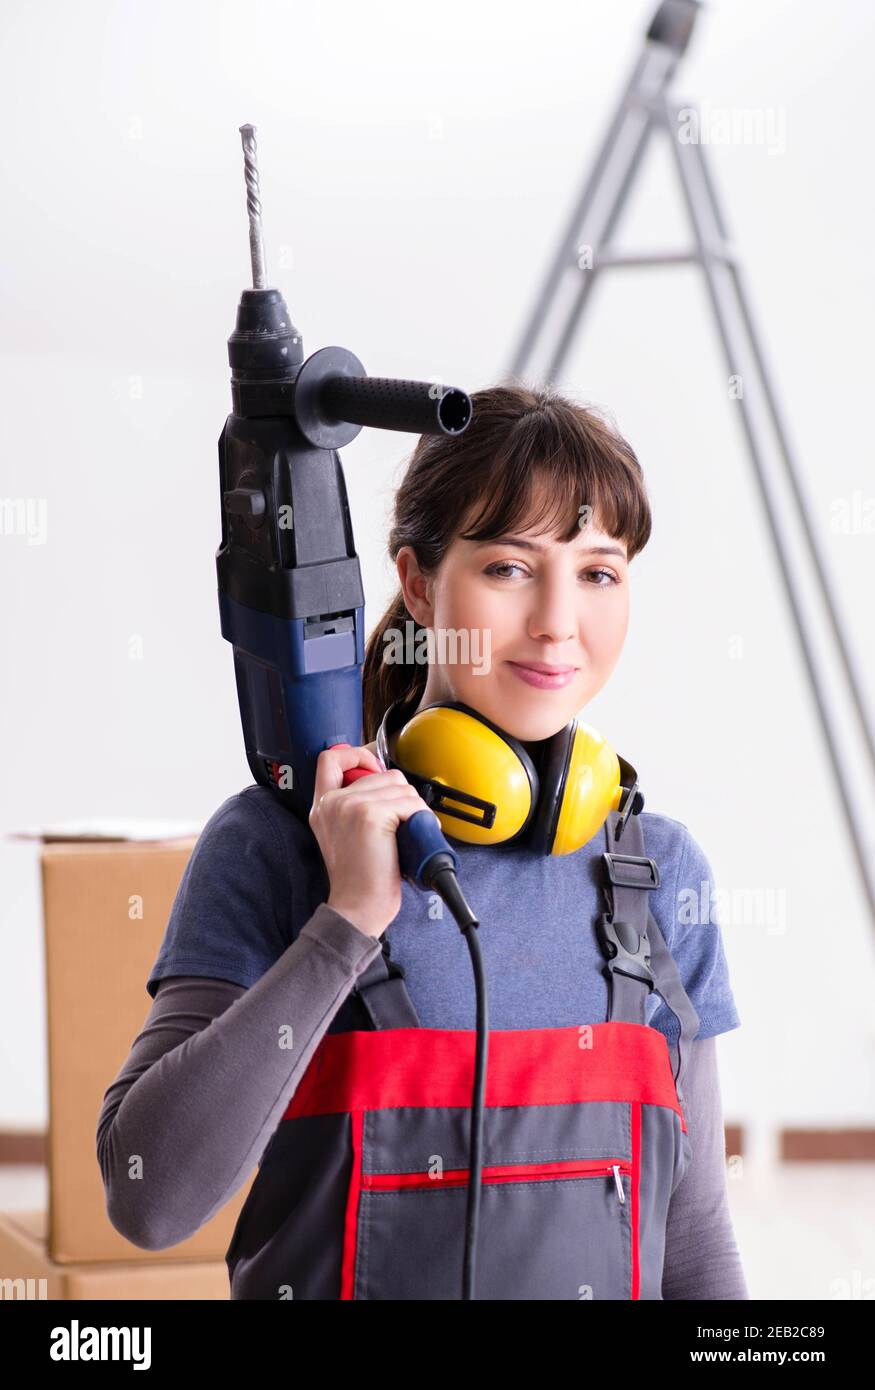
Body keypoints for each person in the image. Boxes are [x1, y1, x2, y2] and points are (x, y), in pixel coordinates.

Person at [96, 382, 748, 1299]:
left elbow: (696, 1243)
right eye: (510, 567)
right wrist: (347, 920)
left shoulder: (656, 871)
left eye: (597, 571)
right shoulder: (282, 843)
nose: (559, 621)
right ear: (415, 580)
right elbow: (147, 1199)